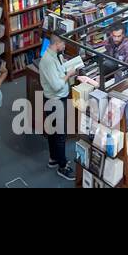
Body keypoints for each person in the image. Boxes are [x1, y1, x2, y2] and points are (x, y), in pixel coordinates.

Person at [38, 31, 77, 180]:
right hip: (55, 101)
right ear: (56, 44)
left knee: (53, 132)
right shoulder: (48, 61)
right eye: (63, 43)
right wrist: (68, 75)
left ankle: (53, 158)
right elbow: (56, 85)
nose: (65, 45)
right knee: (60, 135)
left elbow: (58, 74)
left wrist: (66, 71)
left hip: (55, 100)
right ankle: (62, 166)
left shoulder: (56, 56)